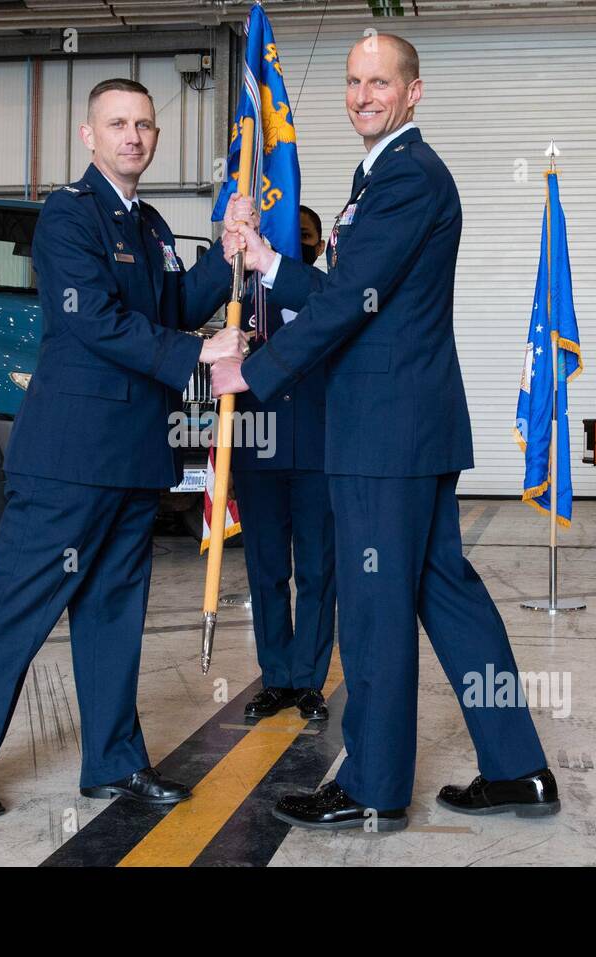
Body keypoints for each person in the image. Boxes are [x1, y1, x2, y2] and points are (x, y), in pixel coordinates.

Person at [216, 35, 558, 830]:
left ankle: (372, 784)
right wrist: (268, 261)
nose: (363, 94)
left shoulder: (406, 175)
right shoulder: (385, 176)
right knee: (448, 593)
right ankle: (520, 768)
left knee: (373, 607)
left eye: (380, 82)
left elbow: (344, 305)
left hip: (384, 430)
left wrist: (254, 372)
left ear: (414, 93)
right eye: (353, 81)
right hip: (408, 426)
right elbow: (352, 289)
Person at [0, 78, 248, 819]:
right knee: (15, 609)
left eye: (145, 126)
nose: (134, 136)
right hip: (69, 457)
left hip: (133, 458)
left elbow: (174, 303)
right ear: (88, 135)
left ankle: (114, 764)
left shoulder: (153, 225)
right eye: (119, 123)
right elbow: (95, 321)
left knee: (112, 617)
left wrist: (225, 252)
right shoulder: (69, 216)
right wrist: (198, 355)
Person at [231, 205, 335, 722]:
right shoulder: (242, 295)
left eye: (309, 237)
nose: (302, 243)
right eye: (291, 235)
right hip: (258, 446)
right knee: (267, 568)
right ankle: (276, 678)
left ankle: (309, 681)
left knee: (317, 570)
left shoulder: (326, 294)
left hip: (317, 448)